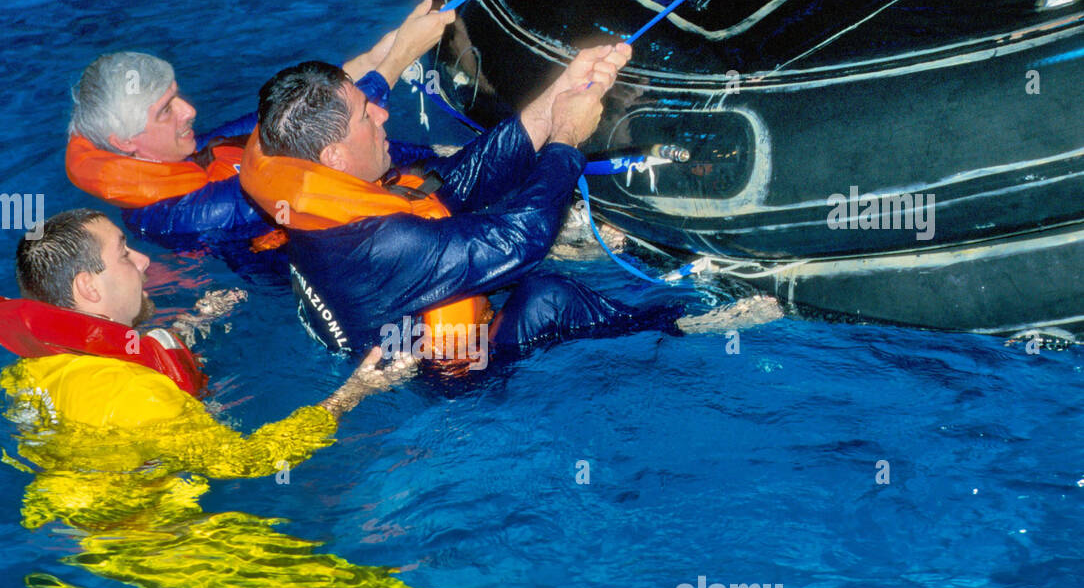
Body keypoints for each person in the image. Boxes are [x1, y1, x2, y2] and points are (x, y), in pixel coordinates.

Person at [239, 42, 780, 363]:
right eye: (366, 116)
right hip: (450, 373)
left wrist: (557, 96)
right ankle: (684, 323)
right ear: (332, 155)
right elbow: (520, 243)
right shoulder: (379, 243)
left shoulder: (322, 196)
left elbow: (459, 180)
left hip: (407, 294)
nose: (383, 116)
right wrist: (568, 141)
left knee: (450, 188)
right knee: (548, 298)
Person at [0, 208, 414, 478]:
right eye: (125, 254)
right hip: (162, 546)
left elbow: (115, 362)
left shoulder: (25, 372)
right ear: (88, 288)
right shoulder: (136, 395)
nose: (143, 261)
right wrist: (355, 392)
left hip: (82, 534)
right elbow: (247, 461)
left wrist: (192, 324)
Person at [63, 0, 455, 276]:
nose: (189, 110)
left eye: (177, 96)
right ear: (125, 141)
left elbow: (286, 118)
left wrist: (377, 54)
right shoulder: (176, 215)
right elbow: (307, 160)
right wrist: (397, 61)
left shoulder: (185, 156)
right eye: (167, 110)